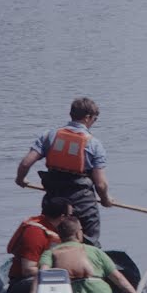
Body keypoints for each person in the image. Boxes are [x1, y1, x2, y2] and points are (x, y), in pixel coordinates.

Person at [15, 97, 112, 247]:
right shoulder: (94, 144)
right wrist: (105, 199)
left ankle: (50, 267)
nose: (94, 122)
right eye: (95, 119)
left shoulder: (49, 136)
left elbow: (25, 163)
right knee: (89, 243)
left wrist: (20, 180)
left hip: (54, 200)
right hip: (82, 202)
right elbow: (100, 184)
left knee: (52, 239)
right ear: (87, 118)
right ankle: (87, 267)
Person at [23, 216, 147, 293]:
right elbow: (118, 278)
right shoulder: (95, 251)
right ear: (78, 234)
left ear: (59, 235)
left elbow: (41, 276)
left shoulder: (50, 253)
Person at [5, 197, 73, 293]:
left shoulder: (57, 229)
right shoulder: (35, 234)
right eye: (70, 216)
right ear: (62, 217)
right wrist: (63, 274)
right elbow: (28, 270)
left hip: (50, 275)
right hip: (24, 282)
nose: (72, 219)